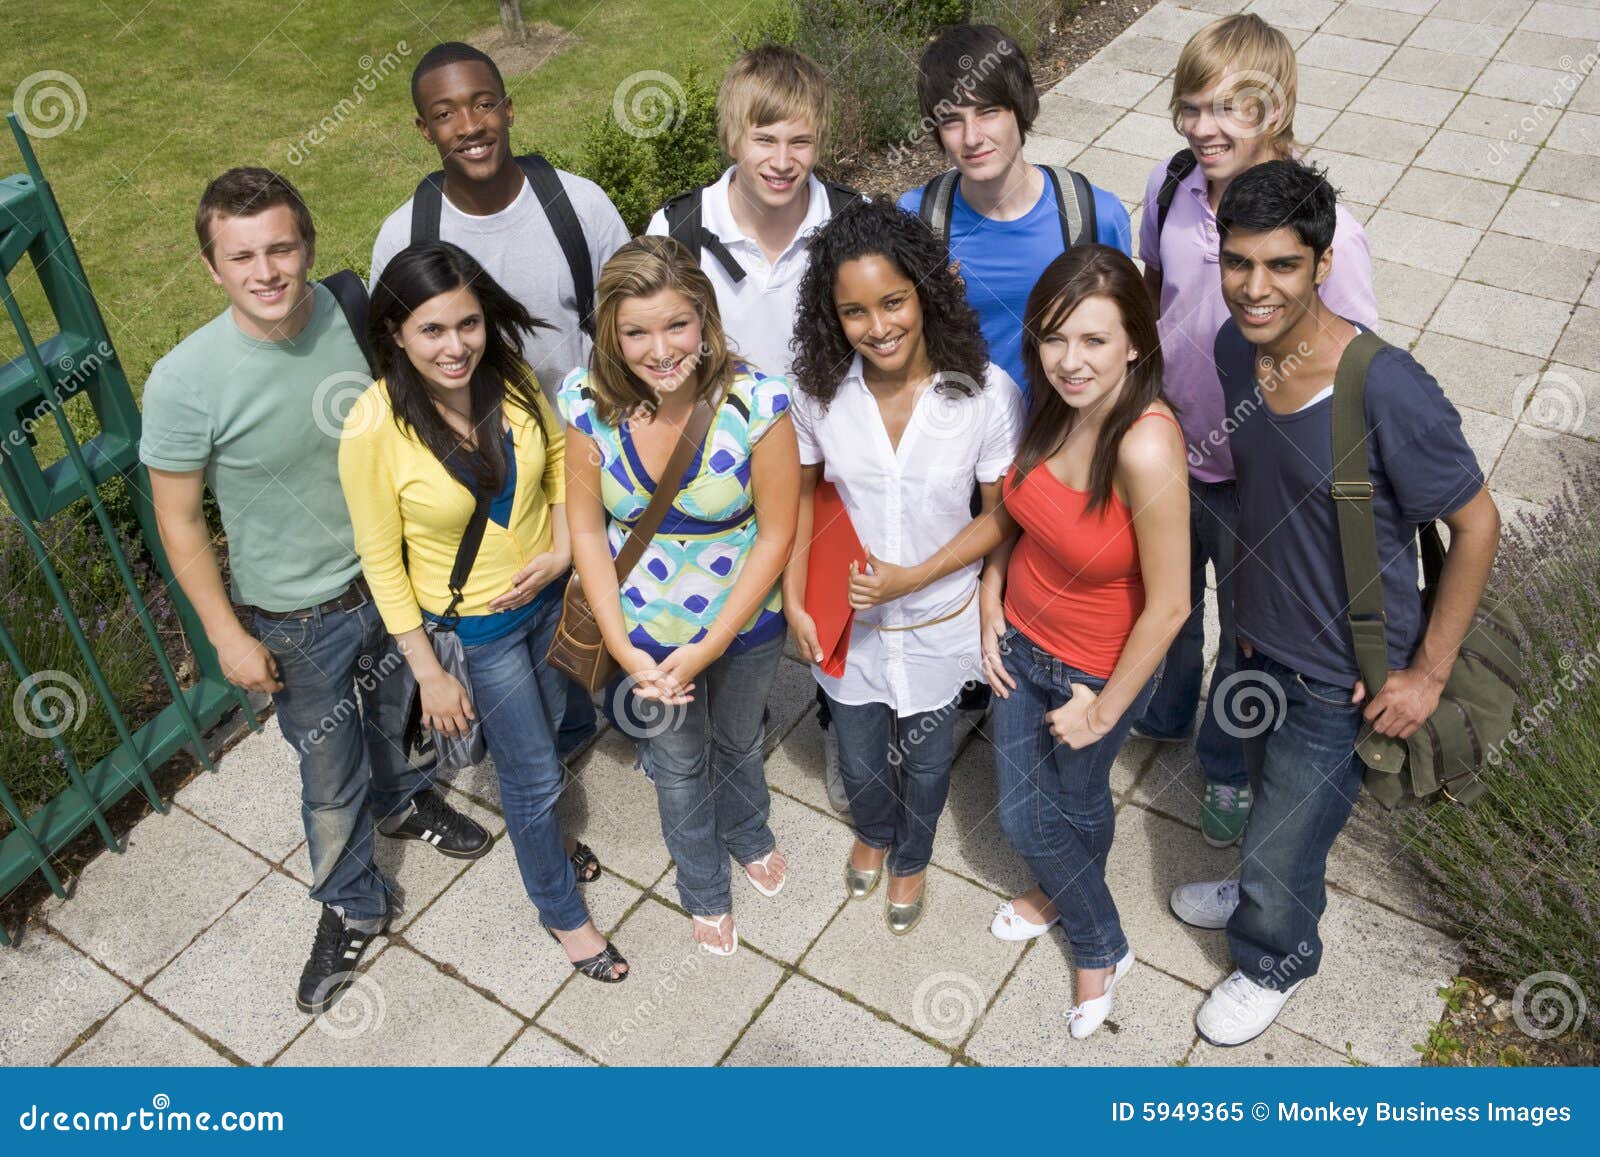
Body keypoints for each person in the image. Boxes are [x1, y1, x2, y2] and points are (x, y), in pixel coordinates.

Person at [141, 168, 489, 1017]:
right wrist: (225, 634)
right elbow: (179, 524)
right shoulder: (184, 382)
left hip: (389, 582)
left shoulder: (345, 309)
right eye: (242, 255)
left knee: (397, 721)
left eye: (280, 247)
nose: (266, 270)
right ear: (211, 268)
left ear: (308, 247)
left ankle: (405, 803)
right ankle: (350, 900)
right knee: (328, 776)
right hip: (296, 620)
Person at [1172, 159, 1499, 1047]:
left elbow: (1478, 526)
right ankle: (1263, 888)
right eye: (1238, 263)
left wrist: (1426, 674)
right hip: (1253, 635)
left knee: (1288, 830)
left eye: (1282, 265)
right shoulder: (1238, 347)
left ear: (1322, 262)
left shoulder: (1387, 387)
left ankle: (1275, 953)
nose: (1255, 287)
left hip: (1343, 673)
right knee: (1263, 794)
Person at [339, 241, 627, 983]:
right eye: (431, 330)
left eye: (468, 323)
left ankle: (555, 844)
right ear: (395, 333)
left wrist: (564, 544)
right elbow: (381, 561)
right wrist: (429, 674)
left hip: (547, 604)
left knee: (567, 726)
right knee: (532, 778)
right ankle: (562, 912)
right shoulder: (373, 425)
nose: (456, 345)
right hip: (479, 632)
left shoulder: (511, 379)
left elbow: (561, 460)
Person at [1130, 13, 1378, 850]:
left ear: (1276, 111)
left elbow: (1355, 364)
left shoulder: (1326, 227)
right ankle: (1162, 707)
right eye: (1192, 106)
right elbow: (1154, 294)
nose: (1205, 128)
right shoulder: (1170, 187)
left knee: (1246, 636)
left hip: (1259, 480)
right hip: (1168, 449)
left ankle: (1228, 767)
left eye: (1230, 108)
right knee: (1158, 599)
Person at [371, 40, 632, 758]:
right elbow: (396, 365)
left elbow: (631, 321)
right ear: (424, 131)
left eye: (484, 103)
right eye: (445, 112)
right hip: (493, 486)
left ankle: (640, 707)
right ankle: (559, 735)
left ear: (509, 108)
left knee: (615, 600)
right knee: (538, 614)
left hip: (590, 451)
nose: (470, 124)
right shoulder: (406, 234)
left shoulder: (577, 205)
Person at [784, 199, 1023, 934]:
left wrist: (915, 578)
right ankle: (876, 831)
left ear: (925, 291)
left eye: (893, 302)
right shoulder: (818, 393)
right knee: (857, 757)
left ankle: (913, 855)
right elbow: (800, 501)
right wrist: (795, 598)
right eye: (855, 311)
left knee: (925, 760)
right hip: (848, 623)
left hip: (937, 619)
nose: (879, 326)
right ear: (832, 317)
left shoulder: (984, 394)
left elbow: (1002, 515)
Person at [561, 236, 800, 957]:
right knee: (675, 765)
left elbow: (776, 534)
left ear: (704, 319)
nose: (659, 349)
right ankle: (701, 884)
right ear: (611, 333)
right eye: (635, 331)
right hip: (644, 637)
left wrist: (708, 646)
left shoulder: (759, 403)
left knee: (738, 738)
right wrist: (626, 646)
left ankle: (748, 829)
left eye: (676, 325)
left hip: (742, 624)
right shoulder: (585, 402)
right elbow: (585, 525)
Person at [980, 244, 1189, 1039]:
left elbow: (1170, 604)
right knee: (1043, 809)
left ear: (1135, 342)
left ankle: (1100, 944)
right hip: (1019, 642)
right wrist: (990, 587)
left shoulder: (1145, 445)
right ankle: (1060, 892)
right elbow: (1022, 513)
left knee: (1047, 814)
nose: (1070, 362)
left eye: (1094, 341)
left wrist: (1102, 711)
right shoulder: (1049, 401)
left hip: (1091, 671)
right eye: (1054, 337)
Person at [646, 43, 860, 815]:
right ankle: (731, 725)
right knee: (724, 607)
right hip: (716, 469)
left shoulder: (852, 221)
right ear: (732, 136)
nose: (782, 159)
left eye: (799, 140)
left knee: (832, 609)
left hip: (826, 461)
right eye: (764, 139)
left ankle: (846, 725)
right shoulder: (677, 227)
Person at [897, 23, 1133, 401]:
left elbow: (1126, 338)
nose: (971, 137)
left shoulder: (1092, 216)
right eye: (952, 120)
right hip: (960, 435)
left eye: (987, 111)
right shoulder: (918, 218)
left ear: (1019, 109)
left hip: (1064, 439)